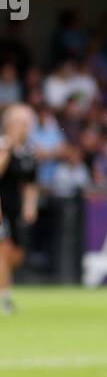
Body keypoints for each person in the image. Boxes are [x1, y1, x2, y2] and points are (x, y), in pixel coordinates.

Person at [0, 103, 39, 314]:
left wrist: (30, 207)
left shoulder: (28, 152)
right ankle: (5, 300)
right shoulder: (3, 145)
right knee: (3, 252)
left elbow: (30, 183)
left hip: (14, 209)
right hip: (1, 209)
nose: (24, 127)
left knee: (16, 256)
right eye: (20, 123)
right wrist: (7, 147)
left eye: (26, 123)